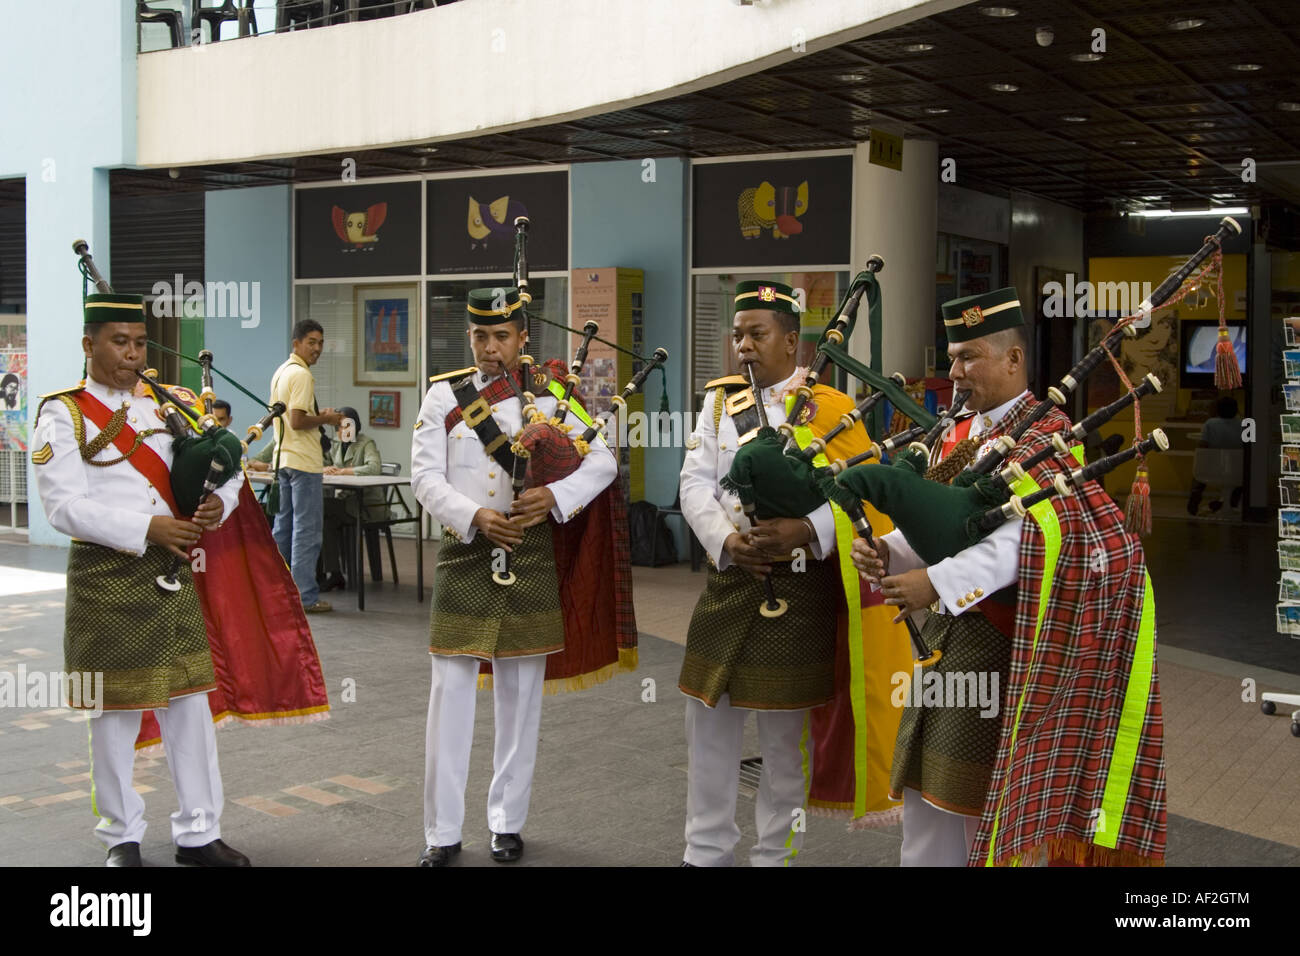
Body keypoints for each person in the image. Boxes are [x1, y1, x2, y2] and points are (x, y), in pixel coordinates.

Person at [852, 287, 1166, 867]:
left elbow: (1027, 538)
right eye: (953, 358)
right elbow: (942, 521)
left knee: (977, 808)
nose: (956, 371)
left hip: (1006, 650)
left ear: (1013, 360)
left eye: (969, 356)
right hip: (948, 646)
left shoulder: (1048, 438)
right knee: (925, 799)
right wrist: (890, 553)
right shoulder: (957, 432)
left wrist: (935, 583)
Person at [676, 278, 911, 867]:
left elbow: (864, 497)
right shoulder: (716, 403)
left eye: (757, 334)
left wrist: (806, 531)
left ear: (791, 340)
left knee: (785, 742)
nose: (744, 346)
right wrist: (727, 539)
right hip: (731, 581)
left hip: (799, 590)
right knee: (707, 722)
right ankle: (705, 851)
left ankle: (774, 856)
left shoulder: (832, 408)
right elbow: (694, 483)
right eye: (738, 335)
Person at [410, 287, 631, 866]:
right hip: (465, 554)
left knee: (519, 696)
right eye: (480, 336)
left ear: (523, 337)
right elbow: (425, 477)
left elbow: (605, 459)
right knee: (450, 695)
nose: (490, 348)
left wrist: (553, 497)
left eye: (501, 337)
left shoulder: (551, 394)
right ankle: (442, 832)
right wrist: (473, 516)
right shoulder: (443, 395)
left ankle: (507, 821)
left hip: (529, 556)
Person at [30, 293, 251, 867]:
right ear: (89, 345)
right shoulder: (64, 413)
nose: (131, 355)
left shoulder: (168, 403)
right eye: (118, 342)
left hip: (171, 575)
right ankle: (121, 837)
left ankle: (200, 834)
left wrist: (215, 507)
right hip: (107, 579)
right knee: (115, 715)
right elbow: (63, 507)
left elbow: (225, 462)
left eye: (138, 343)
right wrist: (147, 527)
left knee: (191, 709)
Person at [269, 319, 343, 613]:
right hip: (304, 462)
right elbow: (297, 421)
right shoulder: (301, 375)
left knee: (283, 529)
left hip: (283, 458)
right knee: (307, 531)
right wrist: (327, 418)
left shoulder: (281, 372)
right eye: (311, 342)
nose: (317, 349)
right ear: (296, 343)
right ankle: (305, 597)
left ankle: (276, 591)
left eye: (321, 343)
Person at [320, 405, 386, 590]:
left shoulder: (366, 443)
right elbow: (324, 463)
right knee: (324, 519)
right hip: (347, 503)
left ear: (356, 426)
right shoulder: (336, 444)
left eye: (347, 426)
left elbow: (374, 468)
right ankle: (334, 573)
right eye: (340, 427)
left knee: (322, 508)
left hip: (366, 505)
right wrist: (325, 468)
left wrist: (344, 471)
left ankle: (331, 573)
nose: (343, 430)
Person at [1187, 396, 1243, 514]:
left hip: (1212, 470)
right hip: (1238, 472)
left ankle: (1195, 495)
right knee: (1246, 478)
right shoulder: (1244, 424)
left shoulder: (1210, 423)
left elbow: (1203, 445)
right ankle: (1230, 502)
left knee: (1200, 469)